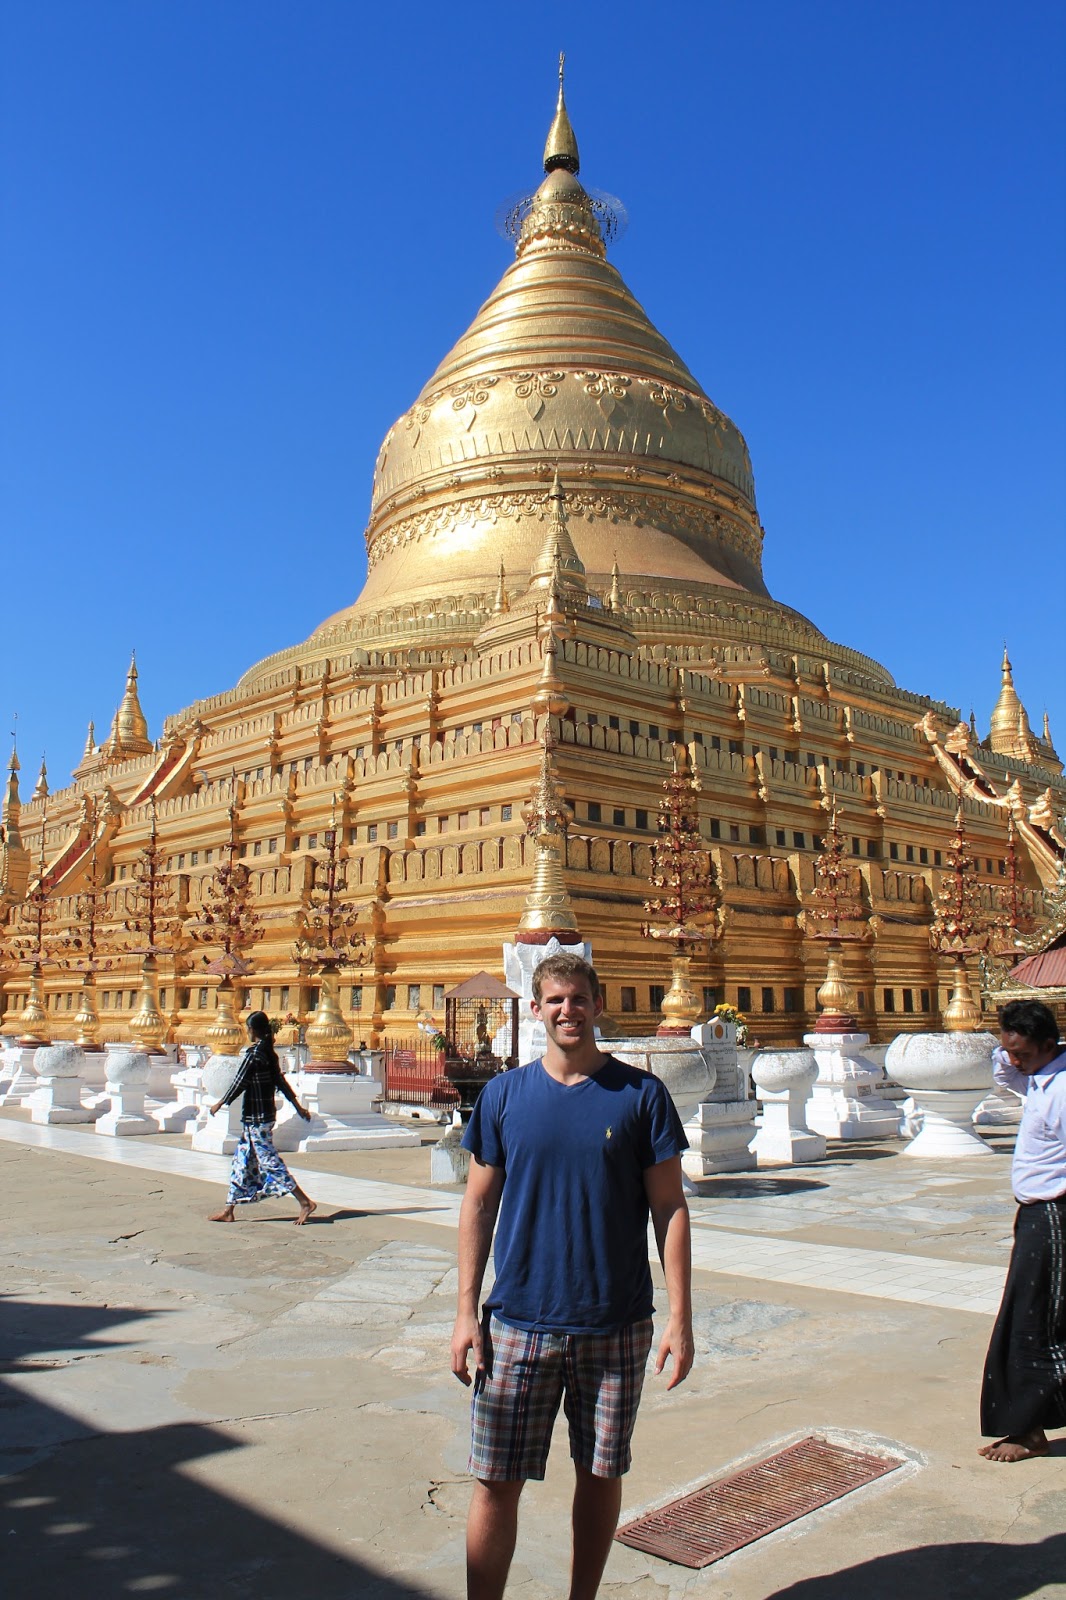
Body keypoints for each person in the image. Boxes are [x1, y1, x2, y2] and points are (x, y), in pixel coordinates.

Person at [450, 952, 692, 1600]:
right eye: (554, 1000)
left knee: (601, 1472)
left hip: (614, 1326)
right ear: (536, 1009)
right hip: (520, 1323)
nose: (567, 1011)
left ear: (597, 1005)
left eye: (578, 999)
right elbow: (477, 1204)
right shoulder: (504, 1097)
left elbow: (669, 1206)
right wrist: (465, 1312)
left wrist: (680, 1318)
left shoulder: (641, 1096)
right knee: (496, 1481)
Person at [979, 998, 1066, 1462]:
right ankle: (1028, 1423)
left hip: (1055, 1213)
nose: (1014, 1061)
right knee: (1034, 1314)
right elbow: (1005, 1075)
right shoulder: (1040, 1076)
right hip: (1036, 1210)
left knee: (1034, 1318)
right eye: (1009, 1050)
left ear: (1050, 1044)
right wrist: (1009, 1050)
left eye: (1023, 1053)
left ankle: (1029, 1428)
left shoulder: (1062, 1089)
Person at [208, 1010, 317, 1226]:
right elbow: (282, 1084)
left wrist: (221, 1102)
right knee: (241, 1161)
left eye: (248, 1028)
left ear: (253, 1030)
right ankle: (229, 1209)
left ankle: (305, 1202)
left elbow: (240, 1082)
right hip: (260, 1117)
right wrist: (298, 1107)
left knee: (269, 1161)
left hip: (257, 1118)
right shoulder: (268, 1053)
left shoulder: (255, 1054)